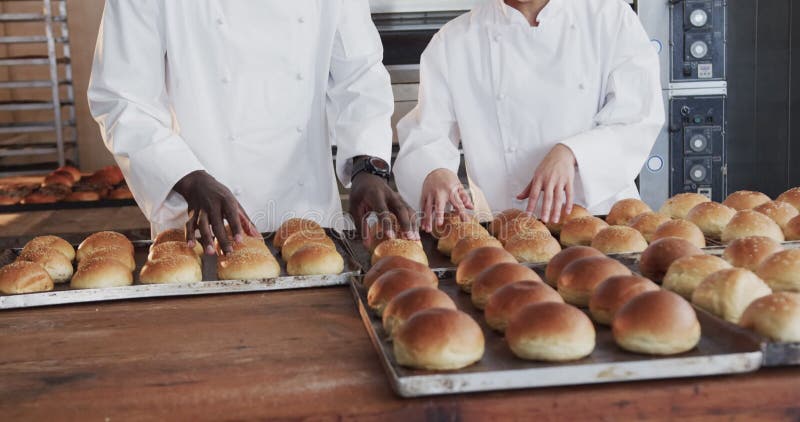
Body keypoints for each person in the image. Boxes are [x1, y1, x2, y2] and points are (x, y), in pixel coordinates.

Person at [88, 0, 417, 255]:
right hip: (202, 227)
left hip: (311, 222)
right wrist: (186, 178)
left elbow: (360, 77)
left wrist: (367, 169)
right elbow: (122, 98)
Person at [393, 0, 664, 232]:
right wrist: (434, 171)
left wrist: (572, 152)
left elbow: (638, 118)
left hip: (606, 224)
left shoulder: (609, 17)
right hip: (506, 232)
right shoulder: (454, 41)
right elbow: (427, 136)